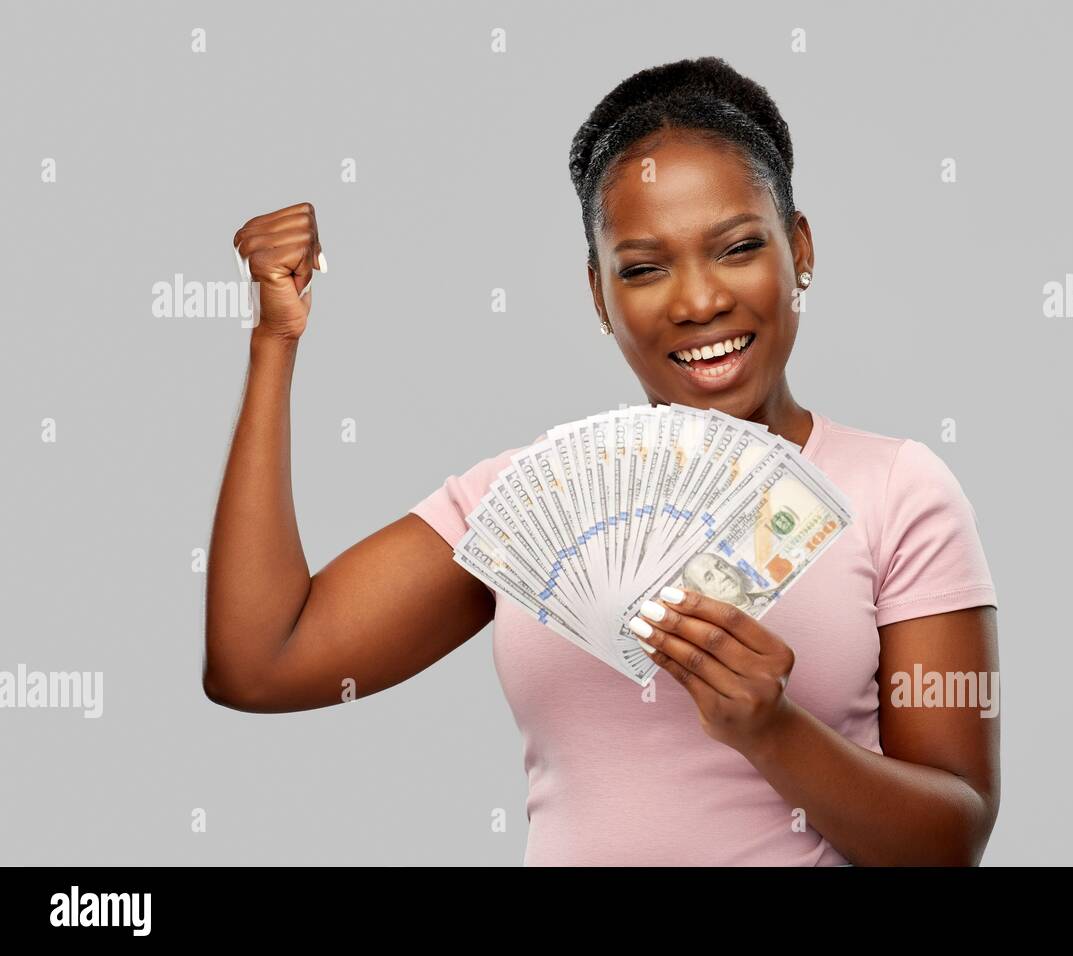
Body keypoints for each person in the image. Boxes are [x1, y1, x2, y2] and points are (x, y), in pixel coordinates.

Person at [205, 56, 1001, 867]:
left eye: (735, 248)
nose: (698, 302)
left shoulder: (898, 490)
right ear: (598, 295)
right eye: (644, 268)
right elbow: (262, 663)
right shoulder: (530, 501)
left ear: (799, 249)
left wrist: (773, 732)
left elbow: (950, 840)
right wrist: (275, 342)